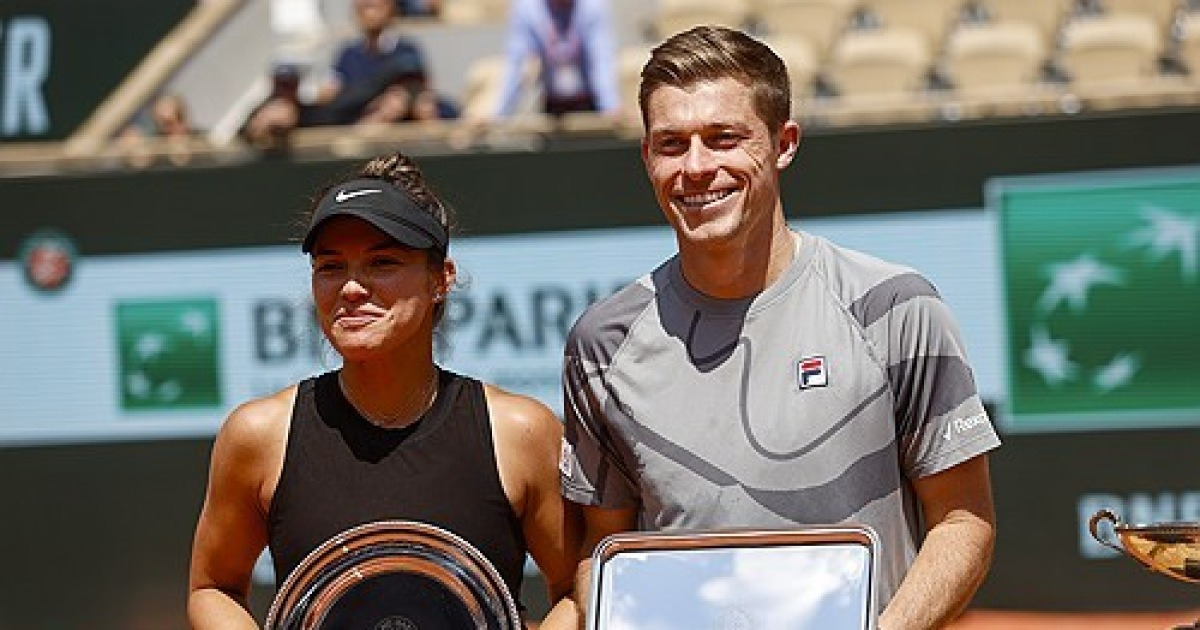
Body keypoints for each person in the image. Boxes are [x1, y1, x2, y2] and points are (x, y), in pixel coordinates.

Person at [557, 26, 1001, 630]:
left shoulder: (895, 307)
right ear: (646, 157)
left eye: (723, 139)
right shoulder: (601, 341)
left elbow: (963, 519)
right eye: (671, 144)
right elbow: (602, 548)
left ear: (784, 143)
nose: (696, 167)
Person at [187, 152, 579, 628]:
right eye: (330, 266)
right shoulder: (258, 434)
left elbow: (576, 591)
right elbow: (213, 588)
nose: (352, 287)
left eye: (382, 262)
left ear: (441, 279)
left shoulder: (520, 431)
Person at [493, 0, 620, 118]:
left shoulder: (592, 6)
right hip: (552, 106)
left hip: (591, 105)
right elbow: (517, 67)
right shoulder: (527, 8)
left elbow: (600, 61)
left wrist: (611, 107)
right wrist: (498, 115)